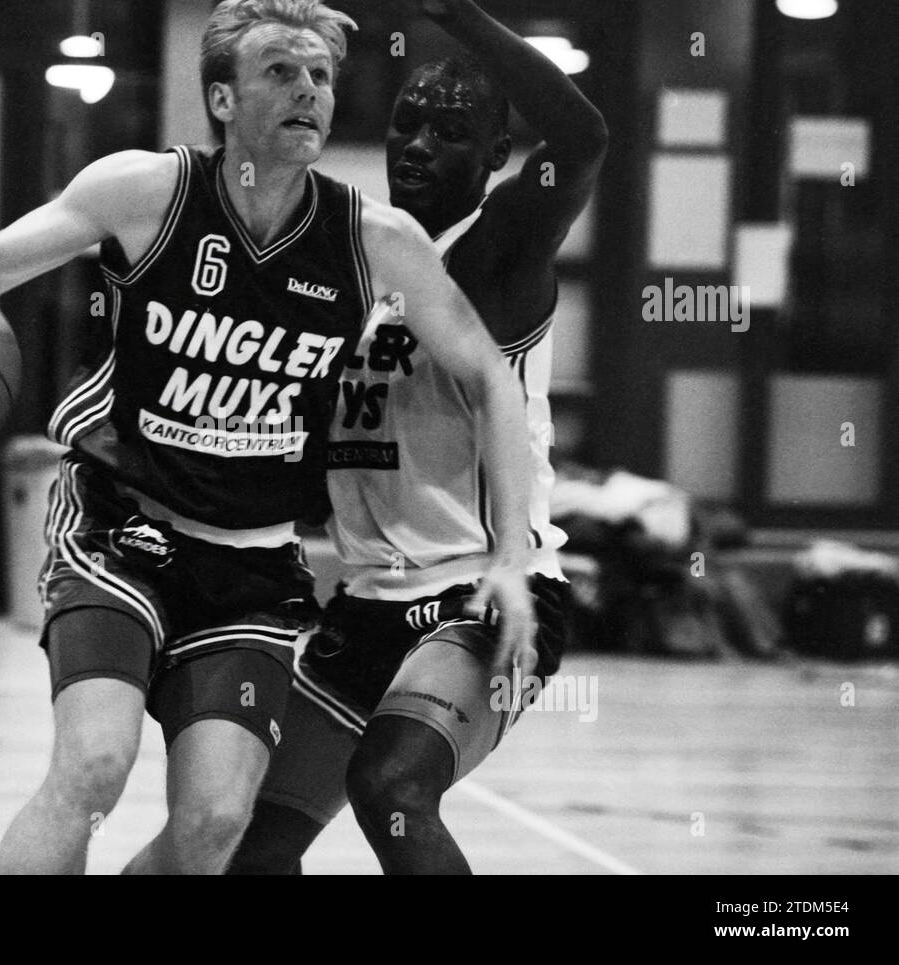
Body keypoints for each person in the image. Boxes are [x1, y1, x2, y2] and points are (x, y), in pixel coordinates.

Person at [0, 0, 535, 875]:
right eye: (281, 70)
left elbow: (490, 379)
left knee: (213, 823)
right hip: (120, 532)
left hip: (251, 566)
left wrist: (510, 554)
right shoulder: (147, 191)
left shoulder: (372, 240)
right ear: (224, 100)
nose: (308, 91)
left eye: (320, 76)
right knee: (93, 764)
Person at [228, 0, 608, 874]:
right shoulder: (356, 265)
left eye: (449, 133)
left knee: (393, 786)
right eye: (406, 126)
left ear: (494, 158)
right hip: (365, 605)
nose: (419, 147)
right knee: (248, 847)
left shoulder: (495, 252)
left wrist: (457, 16)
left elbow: (583, 137)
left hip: (489, 596)